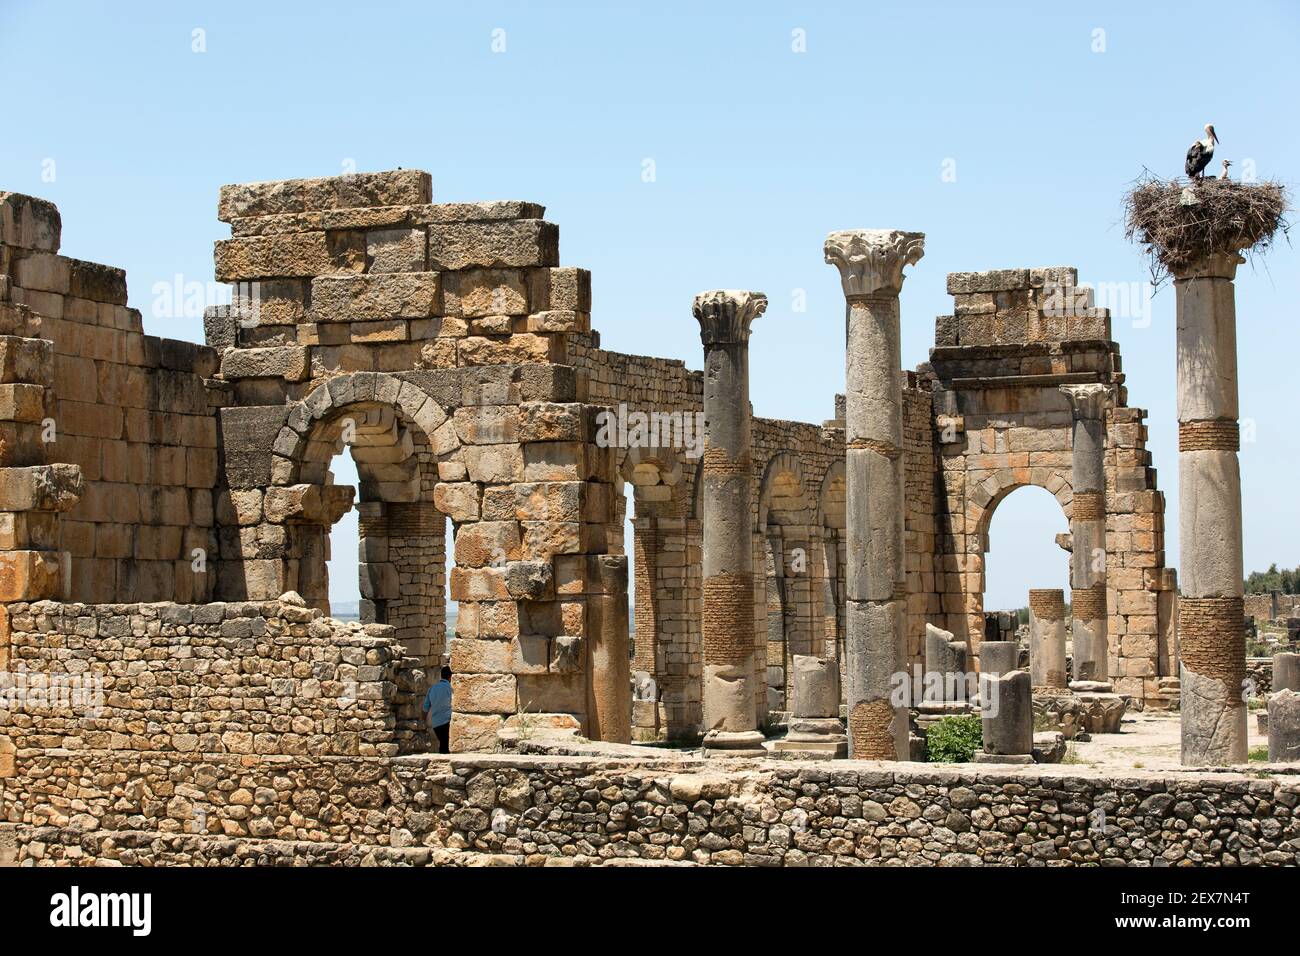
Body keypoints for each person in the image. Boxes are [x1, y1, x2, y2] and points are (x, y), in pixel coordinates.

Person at [422, 666, 453, 753]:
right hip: (447, 722)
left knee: (443, 745)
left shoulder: (432, 688)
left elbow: (425, 708)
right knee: (445, 747)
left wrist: (423, 722)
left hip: (436, 723)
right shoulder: (450, 688)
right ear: (450, 676)